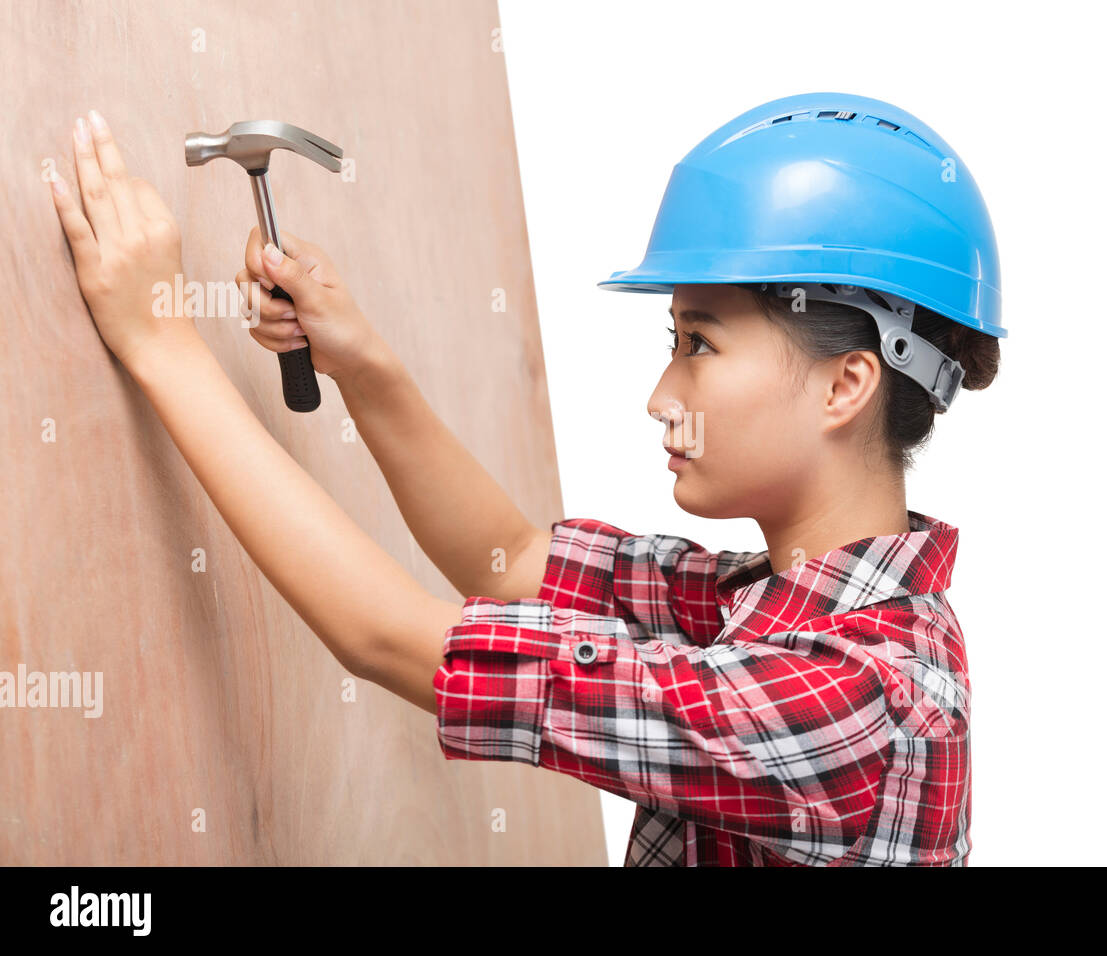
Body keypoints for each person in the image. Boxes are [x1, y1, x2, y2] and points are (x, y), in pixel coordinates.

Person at [49, 93, 1004, 866]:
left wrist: (161, 340)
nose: (662, 395)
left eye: (700, 344)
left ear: (846, 384)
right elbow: (514, 561)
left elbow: (387, 640)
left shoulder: (860, 700)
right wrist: (364, 364)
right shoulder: (758, 609)